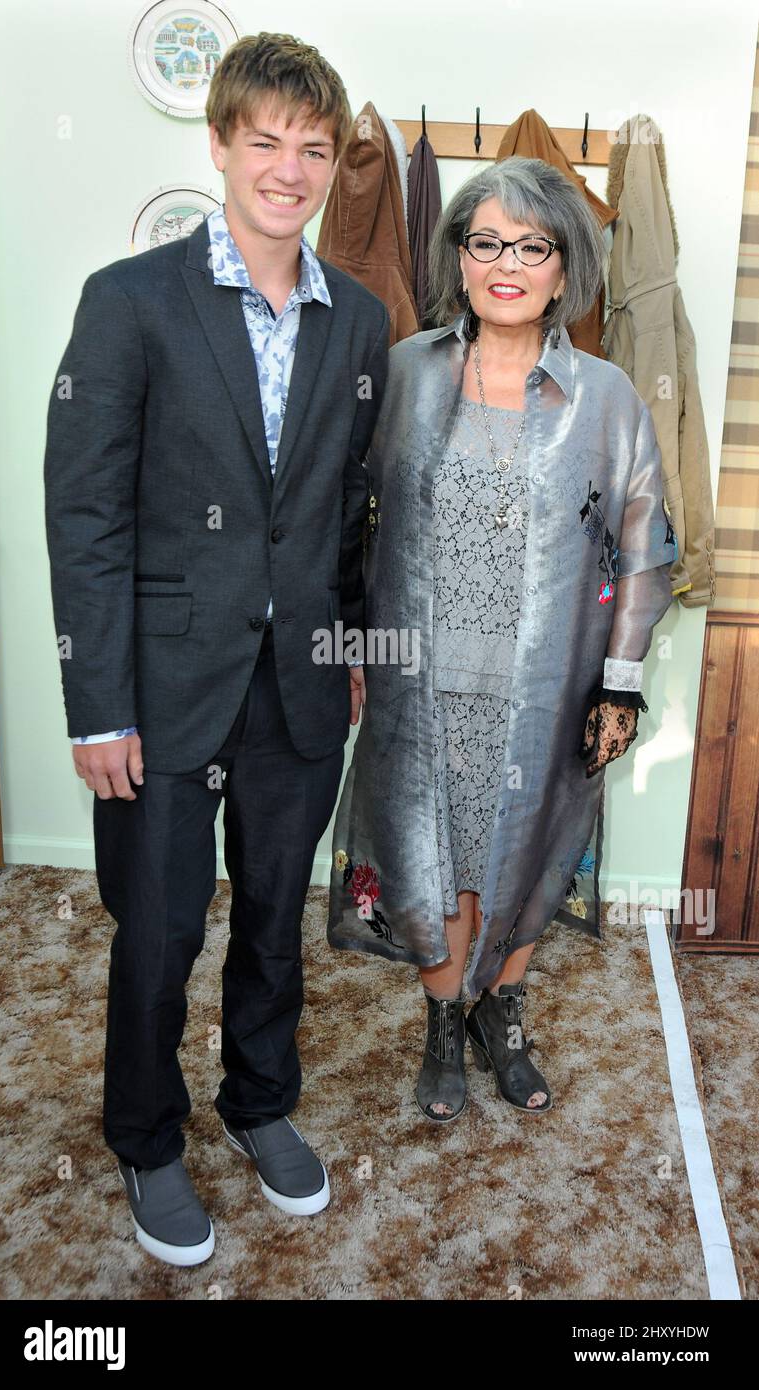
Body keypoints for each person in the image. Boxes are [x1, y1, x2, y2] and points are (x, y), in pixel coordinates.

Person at [44, 31, 389, 1264]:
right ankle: (145, 1135)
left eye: (310, 148)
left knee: (271, 923)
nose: (287, 169)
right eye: (264, 143)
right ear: (221, 144)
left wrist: (348, 645)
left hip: (296, 683)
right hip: (160, 685)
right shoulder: (128, 301)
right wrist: (97, 707)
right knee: (159, 925)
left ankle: (260, 1102)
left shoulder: (359, 321)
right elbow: (83, 511)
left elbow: (352, 505)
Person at [327, 155, 677, 1124]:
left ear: (565, 270)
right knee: (433, 856)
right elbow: (343, 518)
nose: (508, 263)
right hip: (423, 685)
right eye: (486, 242)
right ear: (459, 259)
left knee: (525, 854)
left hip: (549, 687)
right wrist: (351, 646)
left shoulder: (604, 400)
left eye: (533, 246)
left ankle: (502, 1019)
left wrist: (618, 682)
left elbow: (643, 552)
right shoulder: (400, 375)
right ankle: (444, 1023)